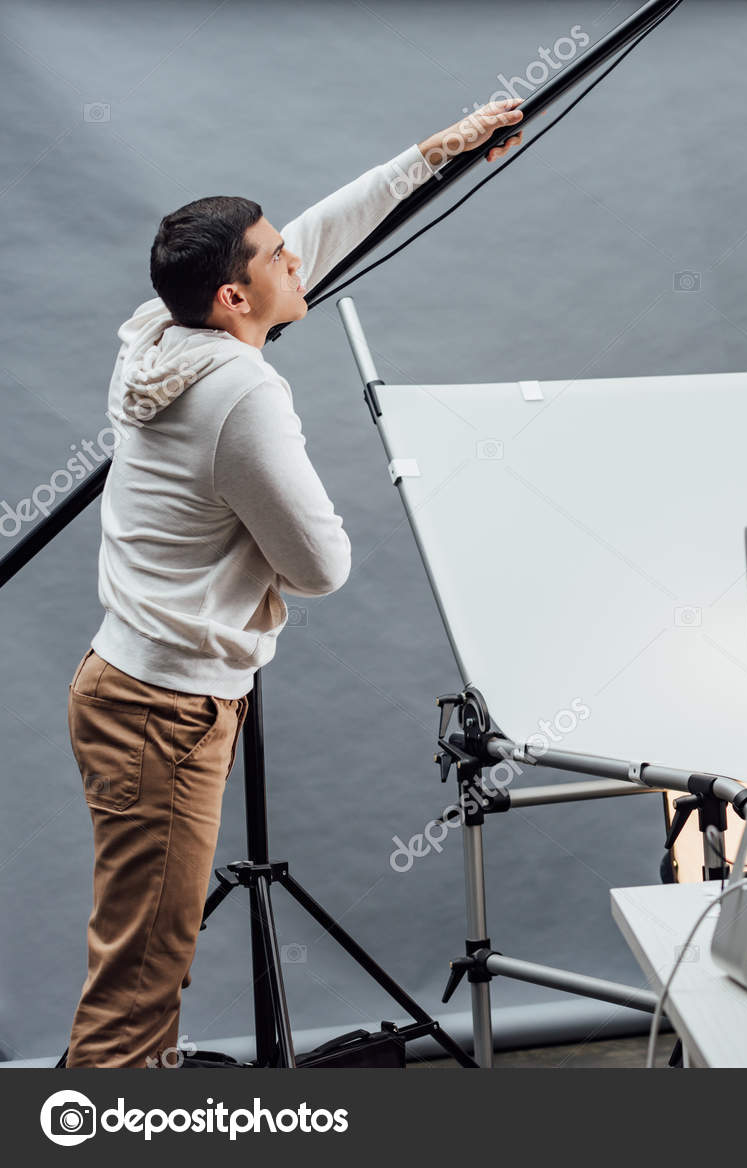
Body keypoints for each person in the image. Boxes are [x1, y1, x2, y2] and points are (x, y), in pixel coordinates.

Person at [64, 101, 524, 1068]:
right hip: (167, 710)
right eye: (274, 260)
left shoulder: (155, 329)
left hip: (133, 688)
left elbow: (315, 231)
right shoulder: (241, 395)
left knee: (146, 963)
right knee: (140, 986)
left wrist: (434, 155)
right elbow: (322, 566)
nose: (296, 263)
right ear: (233, 298)